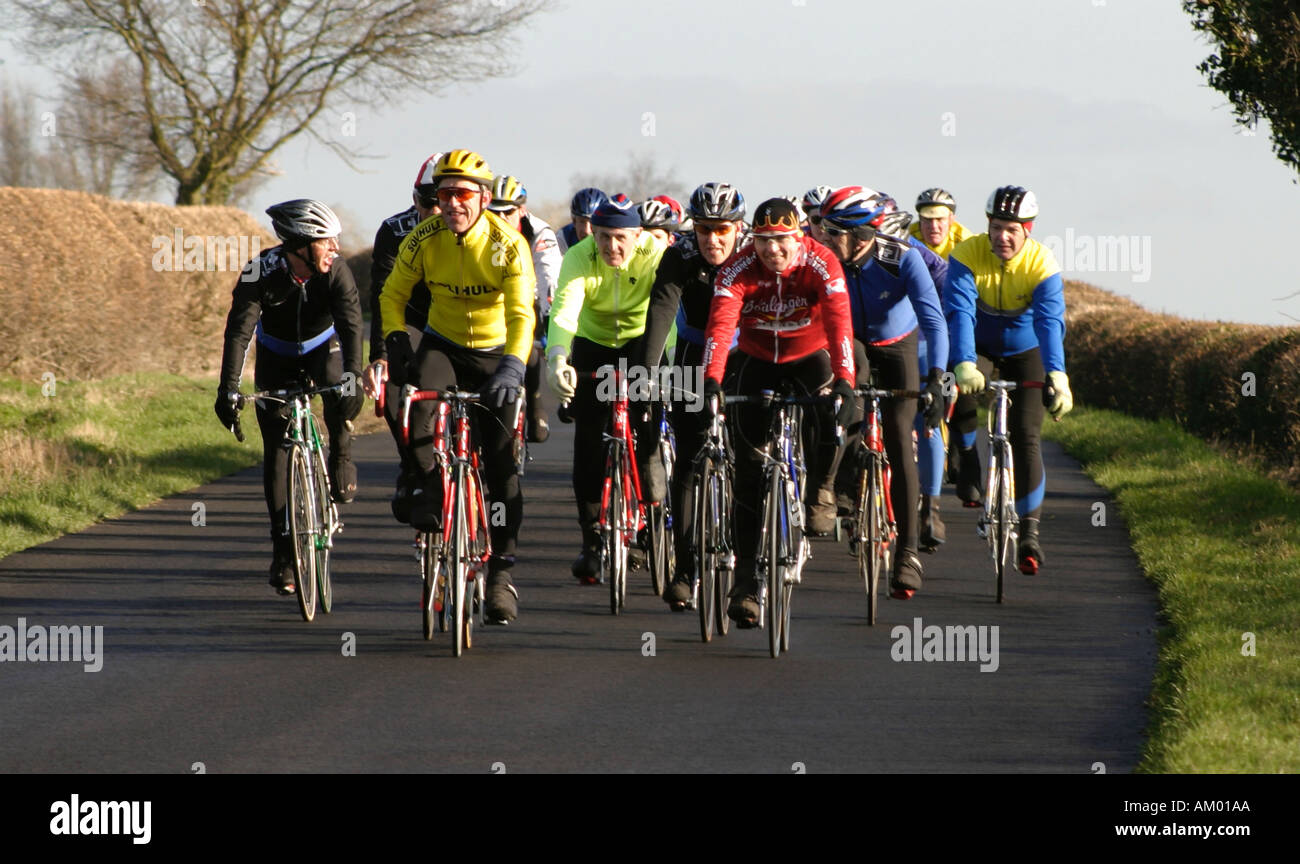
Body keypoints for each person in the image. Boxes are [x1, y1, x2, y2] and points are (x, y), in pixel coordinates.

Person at [377, 149, 536, 623]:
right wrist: (395, 340)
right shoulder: (425, 237)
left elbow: (523, 313)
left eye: (463, 193)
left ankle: (502, 574)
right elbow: (392, 293)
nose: (453, 203)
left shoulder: (509, 244)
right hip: (445, 346)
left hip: (495, 353)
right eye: (445, 193)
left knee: (502, 467)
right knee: (414, 411)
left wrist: (513, 366)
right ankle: (429, 488)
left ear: (483, 198)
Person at [698, 198, 856, 626]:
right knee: (748, 470)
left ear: (798, 237)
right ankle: (746, 581)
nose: (773, 251)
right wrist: (711, 381)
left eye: (782, 242)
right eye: (765, 242)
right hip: (754, 360)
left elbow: (841, 324)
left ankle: (821, 487)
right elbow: (719, 327)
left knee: (830, 412)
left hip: (809, 356)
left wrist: (846, 380)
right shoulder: (738, 268)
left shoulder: (822, 263)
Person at [214, 199, 364, 595]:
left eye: (336, 240)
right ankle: (283, 552)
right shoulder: (260, 271)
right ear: (299, 245)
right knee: (277, 451)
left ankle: (340, 453)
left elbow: (351, 329)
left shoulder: (338, 273)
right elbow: (239, 332)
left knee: (336, 389)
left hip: (322, 348)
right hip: (276, 356)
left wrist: (355, 378)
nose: (335, 247)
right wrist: (228, 388)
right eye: (325, 241)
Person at [818, 187, 947, 598]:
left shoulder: (901, 257)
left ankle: (908, 553)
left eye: (833, 232)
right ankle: (833, 488)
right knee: (845, 408)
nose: (824, 237)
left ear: (860, 236)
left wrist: (938, 378)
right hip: (850, 342)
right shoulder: (827, 260)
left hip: (898, 347)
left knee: (897, 432)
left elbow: (933, 316)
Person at [945, 185, 1072, 574]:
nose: (1002, 236)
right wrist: (965, 363)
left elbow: (1050, 324)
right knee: (960, 388)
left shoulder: (1042, 264)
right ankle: (967, 460)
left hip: (1025, 351)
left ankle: (1030, 533)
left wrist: (1058, 374)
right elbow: (960, 312)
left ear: (1027, 231)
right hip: (979, 346)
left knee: (1026, 435)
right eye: (997, 227)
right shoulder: (967, 254)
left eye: (1012, 229)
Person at [635, 181, 747, 609]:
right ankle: (684, 569)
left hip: (742, 354)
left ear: (738, 228)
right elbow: (661, 310)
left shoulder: (753, 253)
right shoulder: (678, 255)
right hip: (692, 353)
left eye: (722, 230)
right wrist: (646, 374)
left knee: (745, 457)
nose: (713, 240)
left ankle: (746, 567)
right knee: (688, 457)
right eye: (704, 230)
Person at [546, 196, 668, 583]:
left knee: (647, 419)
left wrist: (665, 366)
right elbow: (565, 310)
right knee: (587, 440)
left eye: (619, 238)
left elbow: (669, 314)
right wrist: (558, 358)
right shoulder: (580, 257)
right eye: (602, 237)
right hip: (594, 342)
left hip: (642, 340)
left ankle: (651, 504)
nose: (610, 247)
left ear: (638, 235)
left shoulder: (656, 252)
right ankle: (591, 540)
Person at [362, 152, 441, 521]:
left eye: (446, 201)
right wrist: (379, 355)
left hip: (459, 321)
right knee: (395, 384)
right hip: (411, 318)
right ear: (414, 200)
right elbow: (383, 295)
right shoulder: (394, 231)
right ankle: (412, 464)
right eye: (428, 202)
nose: (438, 211)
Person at [486, 174, 563, 443]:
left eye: (507, 211)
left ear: (521, 209)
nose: (500, 217)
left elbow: (549, 280)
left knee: (527, 348)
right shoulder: (479, 229)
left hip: (530, 297)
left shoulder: (540, 233)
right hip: (491, 299)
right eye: (493, 211)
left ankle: (535, 404)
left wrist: (549, 327)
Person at [910, 187, 973, 259]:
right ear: (920, 219)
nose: (933, 226)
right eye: (927, 219)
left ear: (951, 219)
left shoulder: (966, 242)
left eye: (940, 219)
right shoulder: (907, 237)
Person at [558, 187, 608, 253]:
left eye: (592, 222)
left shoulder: (614, 239)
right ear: (574, 221)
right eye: (582, 221)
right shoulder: (564, 238)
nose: (586, 231)